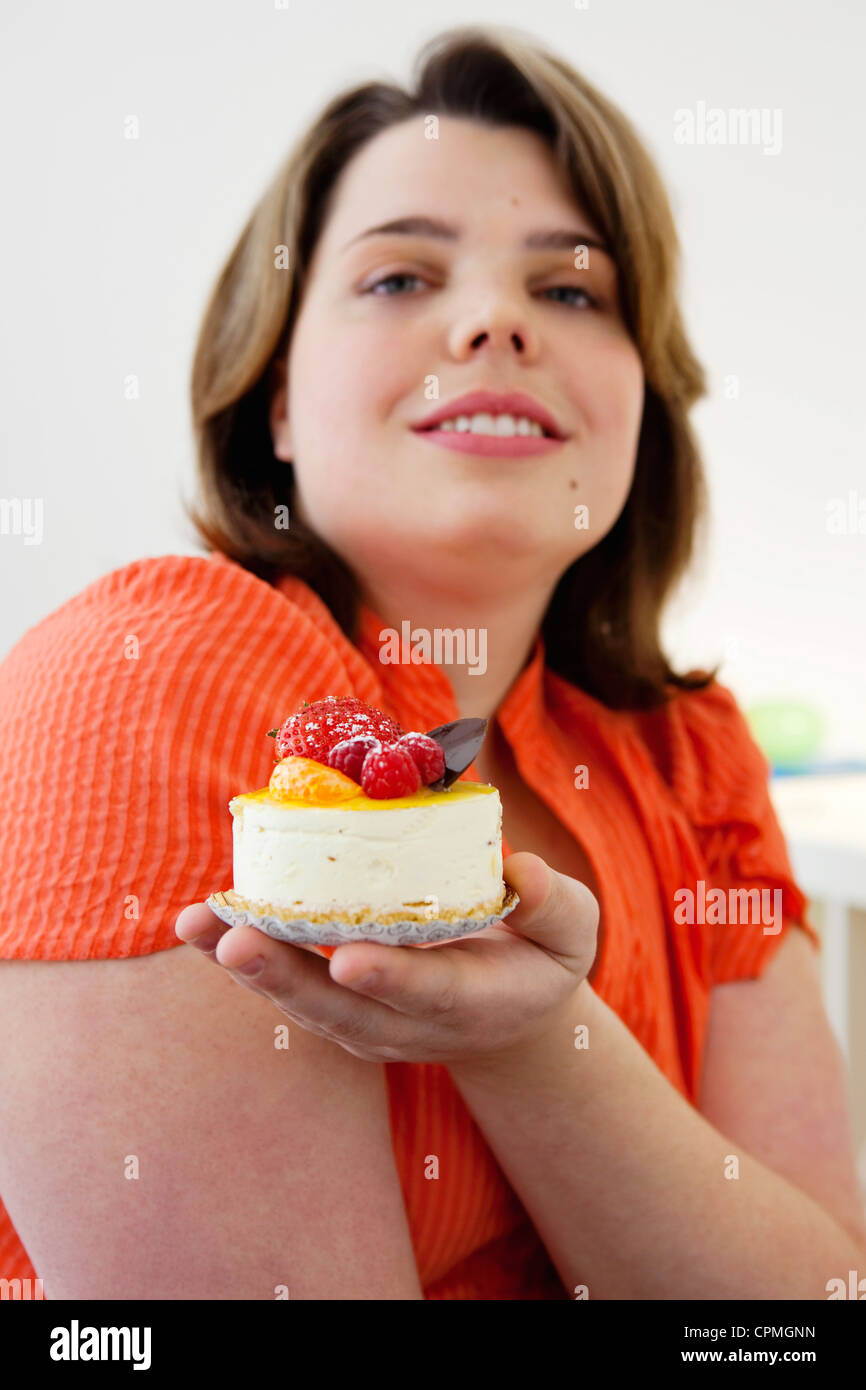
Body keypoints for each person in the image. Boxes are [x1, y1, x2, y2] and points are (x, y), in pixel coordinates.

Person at [0, 24, 863, 1302]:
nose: (491, 323)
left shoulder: (696, 756)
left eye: (570, 291)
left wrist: (534, 1037)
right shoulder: (153, 670)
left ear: (640, 402)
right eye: (401, 278)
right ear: (279, 398)